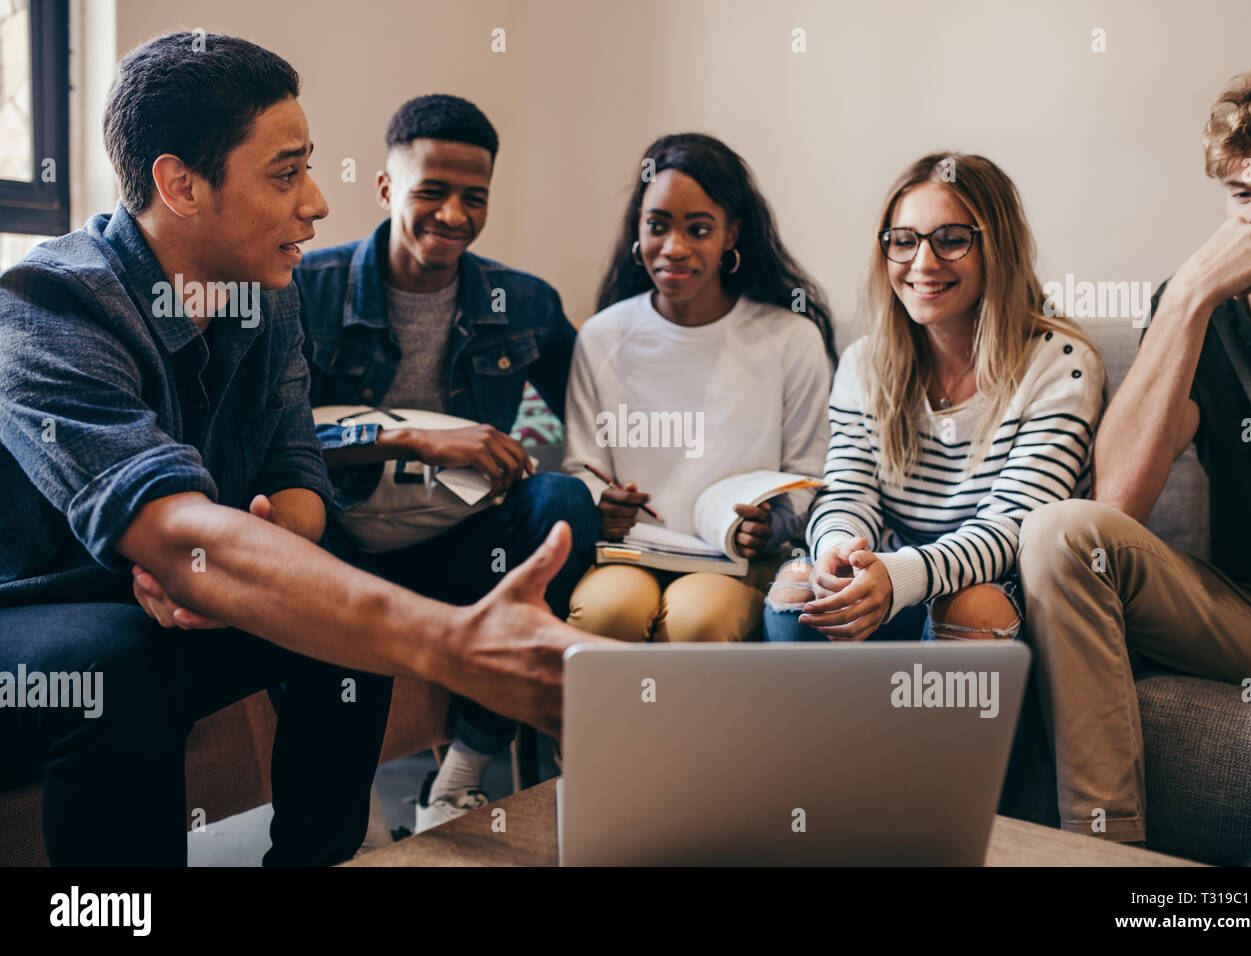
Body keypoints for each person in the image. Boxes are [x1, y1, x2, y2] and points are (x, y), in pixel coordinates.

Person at [0, 33, 606, 867]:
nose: (318, 202)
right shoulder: (47, 308)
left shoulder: (264, 294)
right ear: (180, 184)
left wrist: (256, 552)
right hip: (31, 623)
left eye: (309, 167)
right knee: (120, 658)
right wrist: (452, 640)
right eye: (285, 173)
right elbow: (173, 529)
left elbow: (298, 472)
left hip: (170, 597)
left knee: (331, 614)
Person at [293, 94, 598, 831]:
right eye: (433, 190)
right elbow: (274, 437)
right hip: (344, 544)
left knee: (563, 503)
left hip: (465, 543)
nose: (455, 215)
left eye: (475, 197)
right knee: (296, 535)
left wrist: (562, 466)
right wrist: (414, 439)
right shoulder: (309, 287)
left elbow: (567, 412)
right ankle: (338, 822)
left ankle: (455, 783)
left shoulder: (523, 302)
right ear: (386, 188)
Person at [1017, 66, 1251, 852]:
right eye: (1243, 195)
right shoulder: (1203, 305)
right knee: (1060, 535)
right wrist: (1185, 304)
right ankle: (1107, 855)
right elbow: (1119, 503)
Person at [764, 153, 1103, 644]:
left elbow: (1014, 527)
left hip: (1003, 588)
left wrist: (901, 575)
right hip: (889, 579)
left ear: (997, 248)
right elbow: (847, 491)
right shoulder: (864, 363)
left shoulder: (1060, 364)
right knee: (799, 587)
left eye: (952, 240)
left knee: (972, 604)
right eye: (903, 241)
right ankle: (839, 723)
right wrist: (837, 551)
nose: (922, 263)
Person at [562, 133, 834, 643]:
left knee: (698, 620)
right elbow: (581, 465)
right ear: (637, 231)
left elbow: (806, 476)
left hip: (731, 562)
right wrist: (602, 500)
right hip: (630, 552)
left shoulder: (790, 339)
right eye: (657, 226)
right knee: (605, 613)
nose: (674, 248)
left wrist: (770, 525)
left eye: (699, 229)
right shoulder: (602, 337)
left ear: (731, 234)